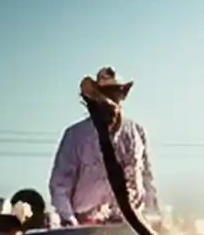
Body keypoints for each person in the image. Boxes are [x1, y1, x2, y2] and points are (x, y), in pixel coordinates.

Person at [49, 68, 160, 226]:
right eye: (105, 94)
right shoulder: (75, 135)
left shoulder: (136, 132)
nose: (110, 99)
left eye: (115, 93)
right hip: (86, 224)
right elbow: (60, 183)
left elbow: (147, 178)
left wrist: (153, 216)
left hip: (131, 224)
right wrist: (69, 220)